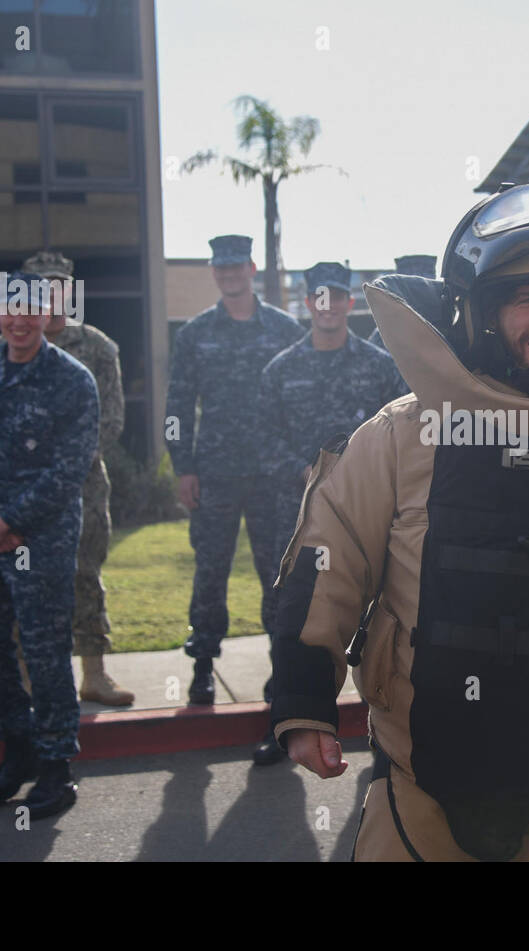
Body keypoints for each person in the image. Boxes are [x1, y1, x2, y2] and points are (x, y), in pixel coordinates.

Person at [269, 184, 529, 861]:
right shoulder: (402, 435)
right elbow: (327, 558)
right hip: (419, 785)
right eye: (527, 298)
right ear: (482, 314)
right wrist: (304, 698)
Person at [0, 272, 99, 818]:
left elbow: (70, 468)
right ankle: (19, 748)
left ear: (48, 314)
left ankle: (57, 769)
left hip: (44, 534)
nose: (19, 319)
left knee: (45, 652)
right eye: (10, 309)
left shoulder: (72, 379)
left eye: (31, 309)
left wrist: (11, 520)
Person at [252, 261, 408, 765]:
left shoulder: (380, 365)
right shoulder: (280, 369)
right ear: (306, 303)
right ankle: (288, 716)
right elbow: (263, 439)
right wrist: (304, 473)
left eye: (336, 296)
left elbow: (401, 433)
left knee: (381, 606)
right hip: (297, 514)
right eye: (318, 297)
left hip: (370, 513)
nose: (327, 305)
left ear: (348, 303)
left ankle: (380, 720)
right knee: (288, 610)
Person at [164, 235, 303, 706]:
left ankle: (279, 669)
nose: (229, 274)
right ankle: (202, 666)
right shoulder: (195, 333)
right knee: (209, 572)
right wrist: (183, 466)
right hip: (215, 472)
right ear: (214, 272)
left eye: (236, 266)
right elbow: (177, 406)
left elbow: (298, 401)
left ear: (251, 267)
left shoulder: (286, 329)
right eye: (221, 268)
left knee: (276, 575)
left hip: (273, 476)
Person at [0, 250, 133, 707]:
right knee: (24, 577)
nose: (51, 294)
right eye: (41, 286)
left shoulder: (98, 346)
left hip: (84, 488)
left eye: (59, 285)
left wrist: (67, 465)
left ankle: (94, 674)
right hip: (23, 494)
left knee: (85, 576)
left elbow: (111, 419)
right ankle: (25, 679)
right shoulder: (2, 351)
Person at [367, 254, 436, 352]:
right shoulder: (384, 334)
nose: (418, 298)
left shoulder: (448, 327)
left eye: (423, 289)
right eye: (411, 291)